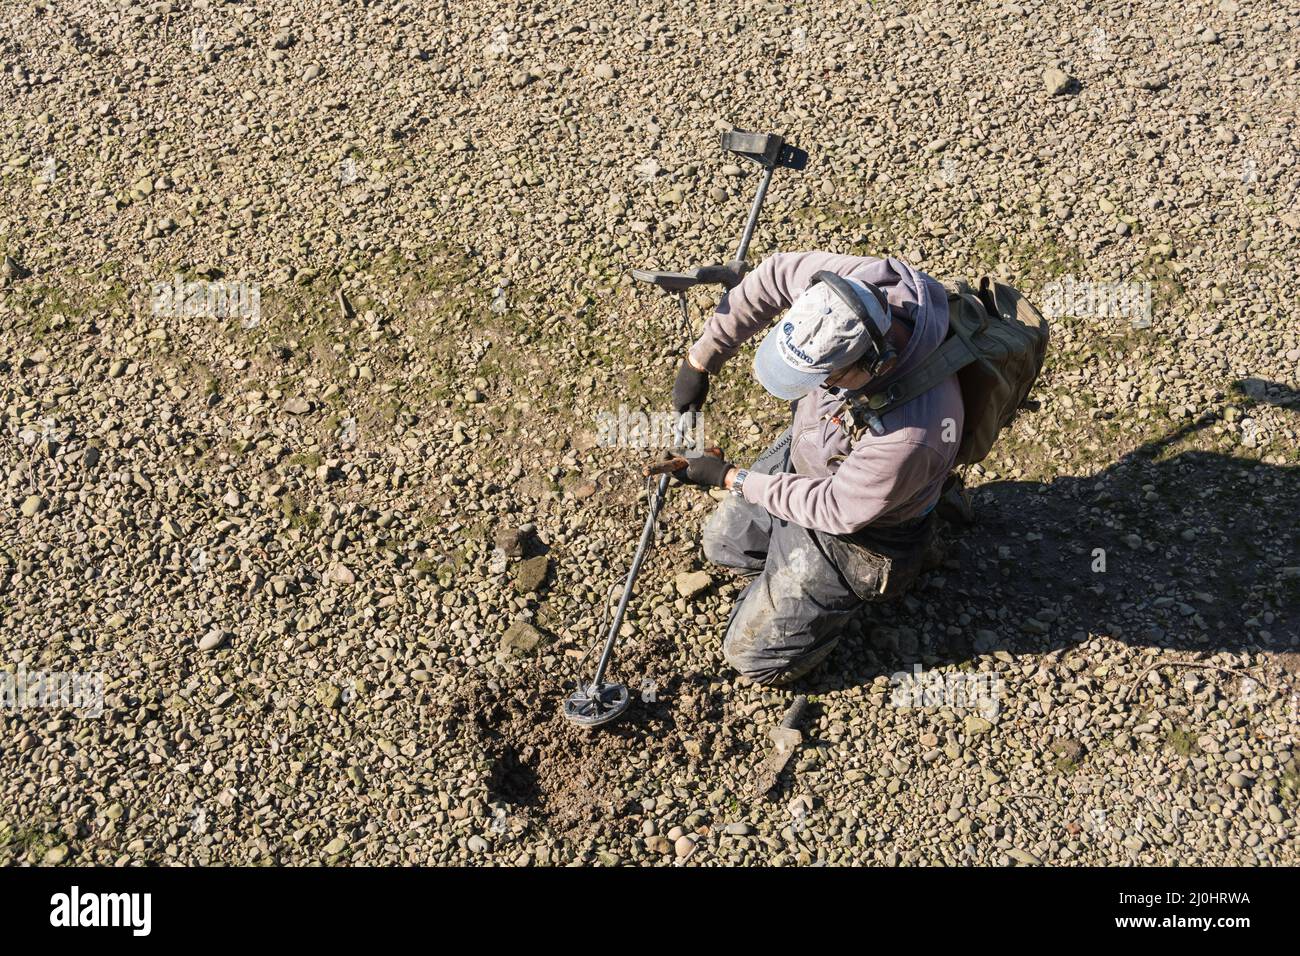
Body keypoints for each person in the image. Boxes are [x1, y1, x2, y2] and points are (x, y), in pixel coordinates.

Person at [669, 251, 964, 685]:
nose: (811, 389)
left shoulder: (909, 434)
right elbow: (770, 277)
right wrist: (701, 359)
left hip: (861, 528)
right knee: (723, 546)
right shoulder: (851, 288)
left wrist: (731, 478)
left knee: (752, 658)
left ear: (873, 364)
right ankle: (792, 575)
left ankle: (865, 589)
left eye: (823, 379)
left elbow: (833, 509)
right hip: (815, 450)